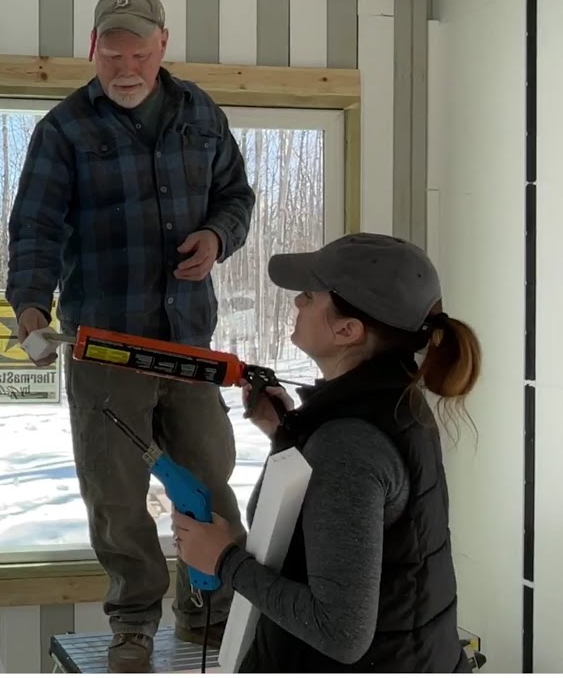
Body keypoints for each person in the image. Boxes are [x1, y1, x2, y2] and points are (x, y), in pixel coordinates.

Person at [6, 0, 257, 673]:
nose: (125, 69)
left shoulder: (201, 115)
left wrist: (217, 235)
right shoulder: (63, 130)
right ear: (93, 48)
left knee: (208, 477)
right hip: (105, 350)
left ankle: (209, 612)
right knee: (116, 495)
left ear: (162, 47)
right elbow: (35, 228)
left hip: (186, 344)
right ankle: (134, 622)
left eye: (138, 53)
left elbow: (237, 195)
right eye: (111, 53)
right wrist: (30, 304)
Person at [170, 232, 483, 673]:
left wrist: (223, 560)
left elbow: (341, 630)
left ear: (348, 330)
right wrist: (286, 435)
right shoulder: (395, 402)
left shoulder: (348, 443)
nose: (297, 303)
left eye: (310, 296)